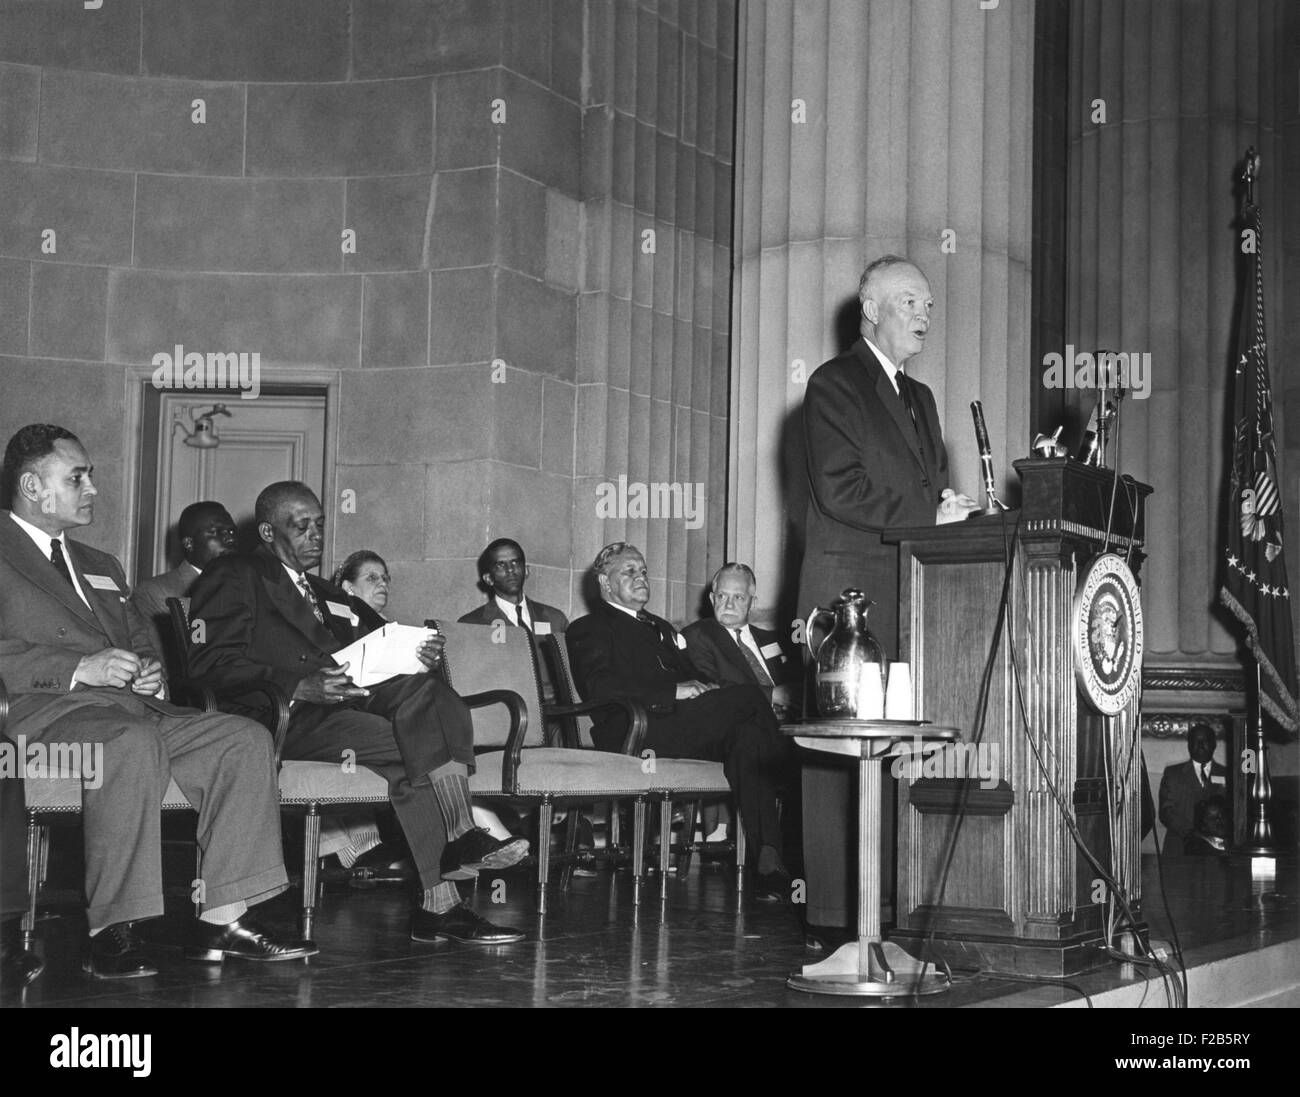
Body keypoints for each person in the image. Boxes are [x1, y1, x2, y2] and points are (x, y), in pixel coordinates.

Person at [0, 424, 312, 978]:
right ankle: (111, 931)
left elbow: (140, 640)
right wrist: (76, 667)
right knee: (131, 743)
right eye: (78, 477)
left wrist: (150, 674)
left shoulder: (101, 562)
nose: (93, 488)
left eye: (90, 475)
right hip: (39, 715)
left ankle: (224, 918)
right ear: (31, 485)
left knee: (241, 738)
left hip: (132, 710)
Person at [188, 481, 527, 945]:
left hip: (348, 705)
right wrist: (297, 684)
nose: (315, 535)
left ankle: (453, 864)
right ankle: (445, 890)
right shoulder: (235, 573)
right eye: (300, 525)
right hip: (284, 715)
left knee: (430, 697)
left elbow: (377, 641)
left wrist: (414, 654)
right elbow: (208, 663)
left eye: (320, 525)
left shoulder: (326, 593)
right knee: (417, 743)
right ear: (267, 531)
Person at [796, 256, 978, 935]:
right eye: (910, 301)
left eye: (928, 304)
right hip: (851, 599)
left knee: (902, 746)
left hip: (912, 589)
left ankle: (896, 899)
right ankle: (838, 915)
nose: (924, 314)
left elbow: (923, 493)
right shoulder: (834, 384)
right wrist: (930, 513)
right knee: (844, 753)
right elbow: (839, 488)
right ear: (871, 308)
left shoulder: (923, 399)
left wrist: (948, 507)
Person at [566, 543, 793, 899]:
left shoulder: (659, 626)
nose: (641, 577)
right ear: (604, 583)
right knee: (750, 697)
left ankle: (768, 859)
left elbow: (697, 680)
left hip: (681, 725)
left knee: (748, 736)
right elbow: (600, 686)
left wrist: (703, 691)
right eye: (629, 572)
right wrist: (672, 691)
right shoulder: (589, 627)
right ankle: (794, 779)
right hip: (636, 730)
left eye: (642, 571)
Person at [131, 501, 238, 674]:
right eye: (216, 532)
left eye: (231, 532)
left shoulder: (245, 586)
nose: (230, 539)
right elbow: (163, 665)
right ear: (189, 543)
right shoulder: (157, 592)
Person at [683, 563, 796, 720]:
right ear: (712, 598)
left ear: (752, 603)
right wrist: (772, 695)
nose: (729, 605)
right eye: (722, 596)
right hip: (742, 725)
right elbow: (710, 688)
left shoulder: (773, 639)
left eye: (738, 597)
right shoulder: (697, 636)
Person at [1158, 723, 1229, 854]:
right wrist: (1191, 833)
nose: (1200, 745)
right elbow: (1166, 811)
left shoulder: (1228, 774)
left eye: (1205, 741)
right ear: (1189, 745)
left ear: (1214, 744)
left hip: (1218, 853)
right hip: (1179, 849)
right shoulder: (1172, 774)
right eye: (1195, 741)